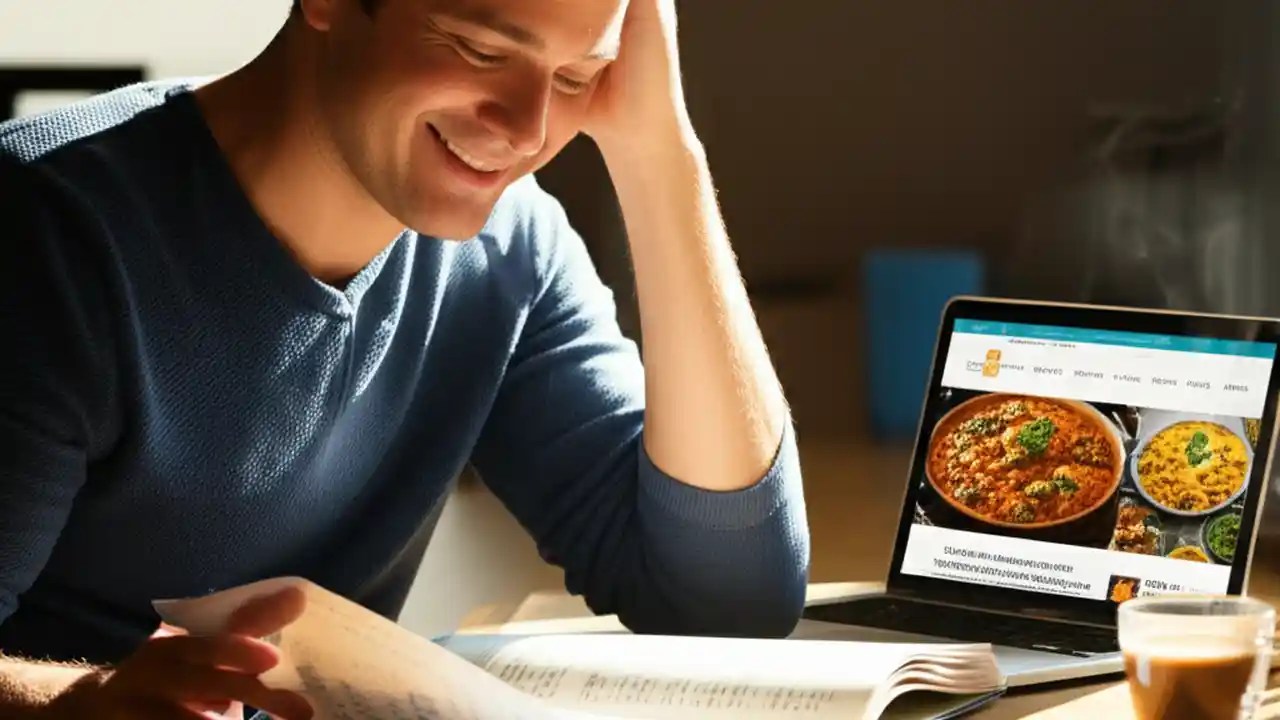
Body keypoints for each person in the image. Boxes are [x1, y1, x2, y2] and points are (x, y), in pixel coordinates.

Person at [0, 0, 809, 716]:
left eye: (574, 78)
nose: (525, 130)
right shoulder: (48, 240)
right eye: (482, 50)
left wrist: (659, 152)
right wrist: (79, 701)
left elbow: (727, 605)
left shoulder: (510, 254)